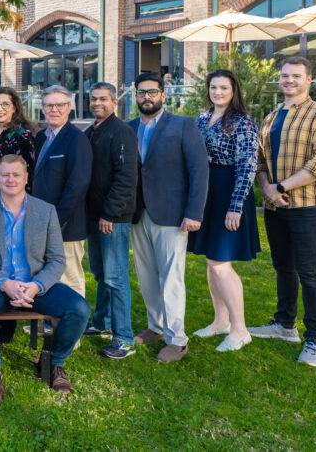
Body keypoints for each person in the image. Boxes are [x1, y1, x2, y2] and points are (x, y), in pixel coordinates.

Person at [0, 155, 90, 401]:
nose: (10, 179)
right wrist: (5, 283)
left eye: (16, 174)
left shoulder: (45, 211)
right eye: (5, 175)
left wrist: (35, 286)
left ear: (26, 178)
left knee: (79, 309)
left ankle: (55, 363)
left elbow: (57, 258)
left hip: (36, 283)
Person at [249, 57, 316, 368]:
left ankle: (315, 339)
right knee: (283, 267)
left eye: (296, 76)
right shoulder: (270, 118)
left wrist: (281, 187)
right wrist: (267, 188)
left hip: (309, 206)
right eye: (285, 76)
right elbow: (260, 161)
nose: (289, 80)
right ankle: (284, 325)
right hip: (276, 206)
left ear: (309, 80)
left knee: (309, 273)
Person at [128, 72, 209, 363]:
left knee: (171, 277)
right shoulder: (129, 128)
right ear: (135, 96)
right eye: (141, 92)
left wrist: (193, 213)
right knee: (147, 274)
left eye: (152, 92)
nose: (146, 97)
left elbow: (199, 171)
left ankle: (177, 339)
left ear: (164, 95)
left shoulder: (184, 125)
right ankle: (156, 327)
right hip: (138, 213)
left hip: (173, 214)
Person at [188, 70, 261, 353]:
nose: (218, 92)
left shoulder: (242, 122)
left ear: (234, 91)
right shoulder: (202, 119)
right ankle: (220, 321)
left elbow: (247, 166)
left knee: (221, 263)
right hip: (208, 193)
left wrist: (236, 206)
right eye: (213, 87)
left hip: (230, 192)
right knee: (211, 261)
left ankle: (240, 330)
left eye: (224, 87)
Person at [83, 82, 139, 360]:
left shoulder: (122, 131)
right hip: (94, 216)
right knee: (101, 273)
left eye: (103, 99)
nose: (96, 103)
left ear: (114, 101)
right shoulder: (92, 131)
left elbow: (127, 177)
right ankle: (102, 323)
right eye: (93, 99)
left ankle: (124, 338)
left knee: (116, 277)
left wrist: (110, 214)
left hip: (113, 218)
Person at [32, 85, 92, 297]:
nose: (54, 110)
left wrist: (56, 221)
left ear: (69, 107)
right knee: (45, 277)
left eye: (59, 105)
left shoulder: (77, 139)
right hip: (39, 222)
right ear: (42, 108)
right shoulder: (40, 138)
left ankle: (72, 327)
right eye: (49, 105)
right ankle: (48, 325)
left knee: (69, 279)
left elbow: (78, 185)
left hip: (66, 225)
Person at [0, 86, 37, 202]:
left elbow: (28, 175)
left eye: (5, 104)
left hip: (10, 201)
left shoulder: (23, 136)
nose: (0, 109)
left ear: (14, 108)